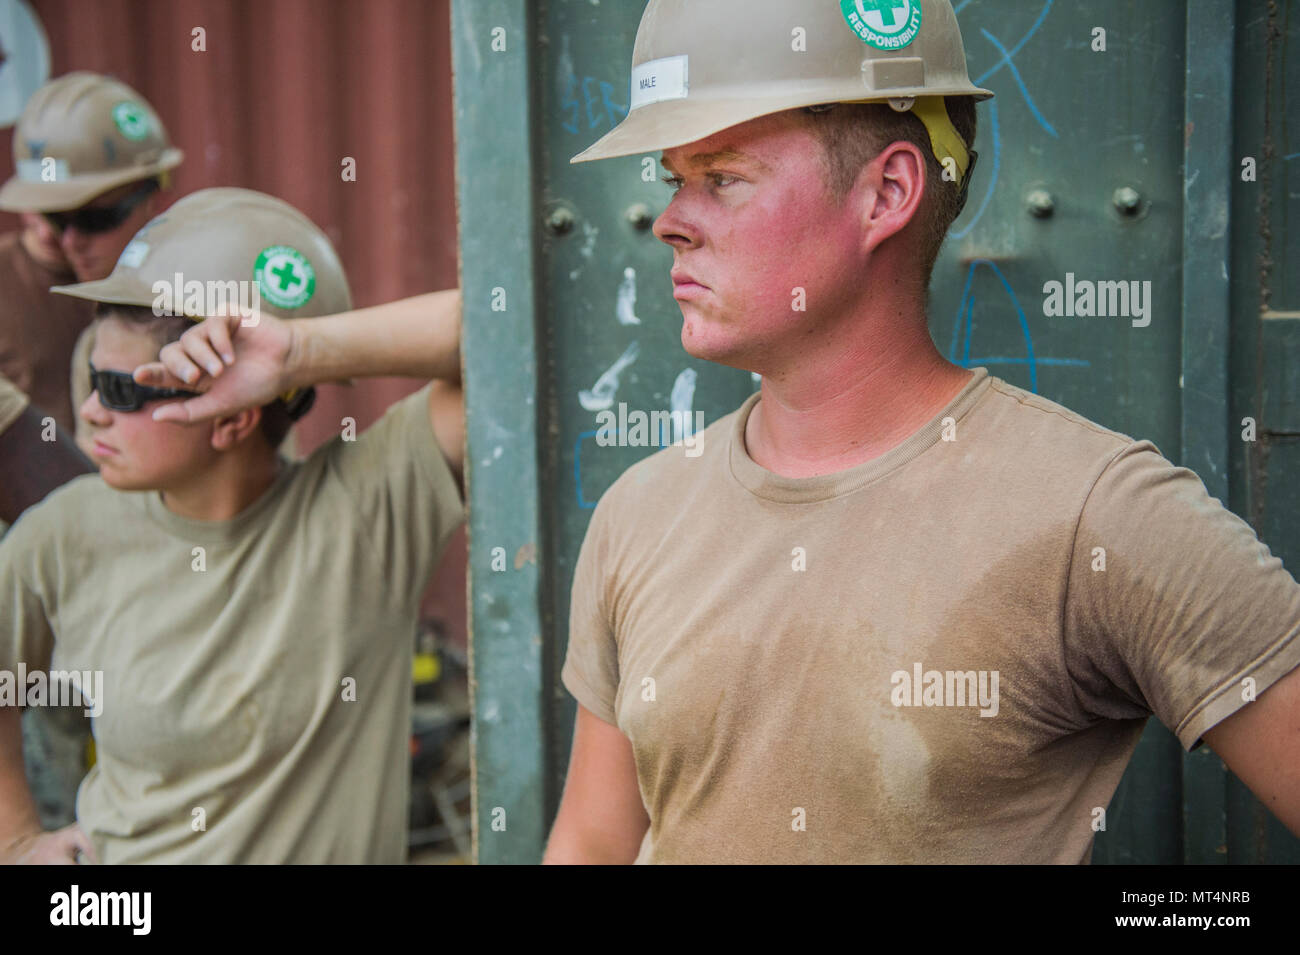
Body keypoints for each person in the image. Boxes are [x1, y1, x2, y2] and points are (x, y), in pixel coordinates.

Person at [544, 0, 1300, 863]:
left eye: (721, 176)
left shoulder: (1097, 516)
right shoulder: (638, 514)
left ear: (888, 193)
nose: (671, 218)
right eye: (672, 178)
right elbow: (590, 846)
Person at [0, 187, 464, 863]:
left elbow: (512, 325)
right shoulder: (66, 530)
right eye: (94, 380)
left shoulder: (371, 505)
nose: (91, 411)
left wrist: (300, 348)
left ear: (234, 414)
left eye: (124, 391)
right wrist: (15, 842)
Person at [0, 71, 182, 438]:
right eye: (54, 216)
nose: (68, 239)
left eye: (94, 217)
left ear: (155, 199)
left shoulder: (182, 285)